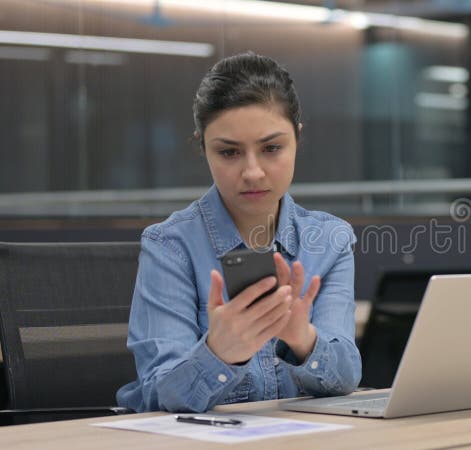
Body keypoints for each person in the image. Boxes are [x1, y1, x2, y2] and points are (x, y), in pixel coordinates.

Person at [117, 52, 361, 412]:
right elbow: (159, 394)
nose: (252, 172)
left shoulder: (330, 240)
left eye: (271, 148)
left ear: (298, 138)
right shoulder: (169, 245)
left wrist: (301, 338)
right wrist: (220, 353)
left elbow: (346, 377)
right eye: (229, 152)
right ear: (203, 147)